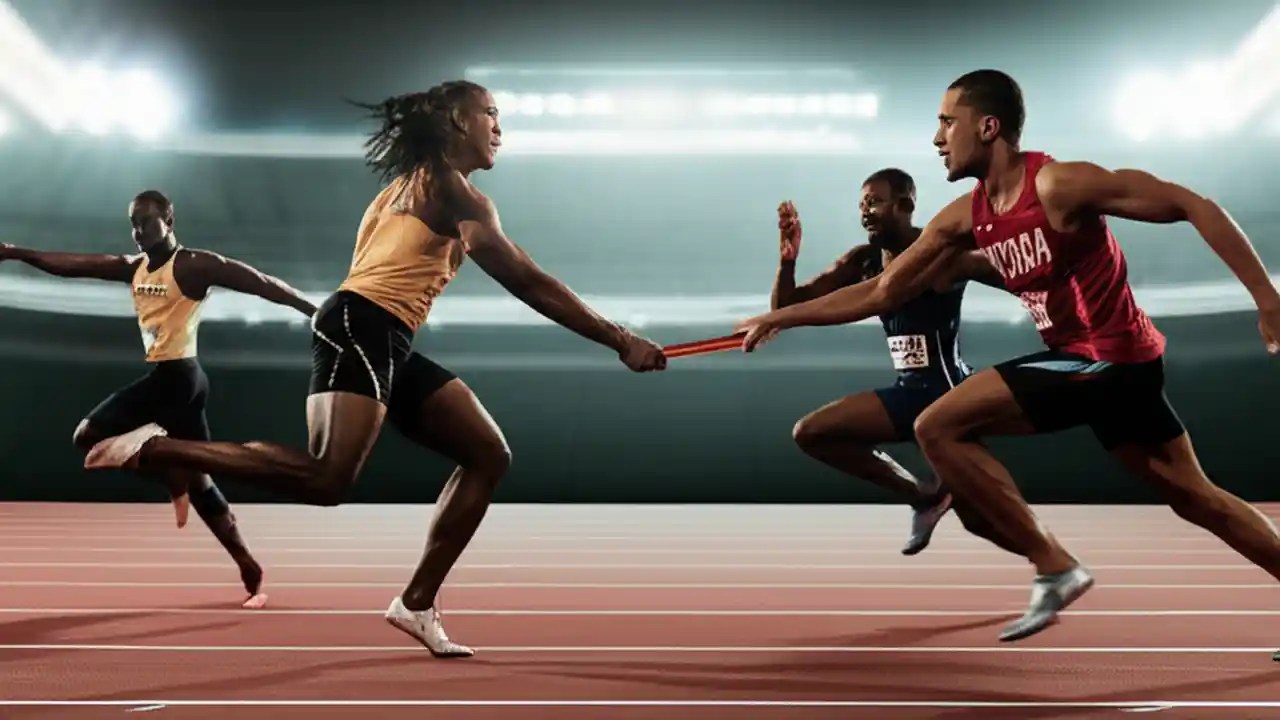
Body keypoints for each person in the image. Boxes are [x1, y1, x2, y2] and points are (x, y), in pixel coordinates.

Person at [84, 80, 668, 657]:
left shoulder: (410, 185)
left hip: (378, 332)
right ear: (457, 121)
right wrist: (619, 339)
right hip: (364, 324)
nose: (499, 127)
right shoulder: (453, 191)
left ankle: (416, 603)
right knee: (326, 479)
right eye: (489, 113)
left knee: (487, 453)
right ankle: (158, 448)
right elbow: (526, 279)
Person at [735, 69, 1280, 643]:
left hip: (1107, 360)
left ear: (988, 126)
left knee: (937, 425)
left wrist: (1267, 299)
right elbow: (882, 292)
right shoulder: (963, 218)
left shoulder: (1059, 185)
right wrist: (781, 315)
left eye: (947, 122)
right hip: (1101, 367)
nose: (937, 138)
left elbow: (1192, 204)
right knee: (1198, 499)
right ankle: (1045, 556)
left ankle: (1054, 564)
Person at [0, 189, 318, 607]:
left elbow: (260, 283)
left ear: (169, 220)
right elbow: (72, 265)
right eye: (133, 225)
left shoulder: (193, 265)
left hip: (179, 379)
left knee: (88, 435)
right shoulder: (133, 267)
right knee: (200, 479)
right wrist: (16, 252)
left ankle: (173, 472)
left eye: (146, 222)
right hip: (177, 382)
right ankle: (247, 564)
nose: (138, 232)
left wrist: (313, 311)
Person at [772, 168, 1011, 555]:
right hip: (910, 393)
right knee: (812, 433)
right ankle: (924, 497)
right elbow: (785, 309)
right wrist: (788, 260)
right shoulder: (864, 261)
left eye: (874, 202)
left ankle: (1051, 563)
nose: (865, 212)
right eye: (861, 205)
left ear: (904, 206)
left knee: (990, 523)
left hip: (947, 396)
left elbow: (1018, 273)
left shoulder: (941, 253)